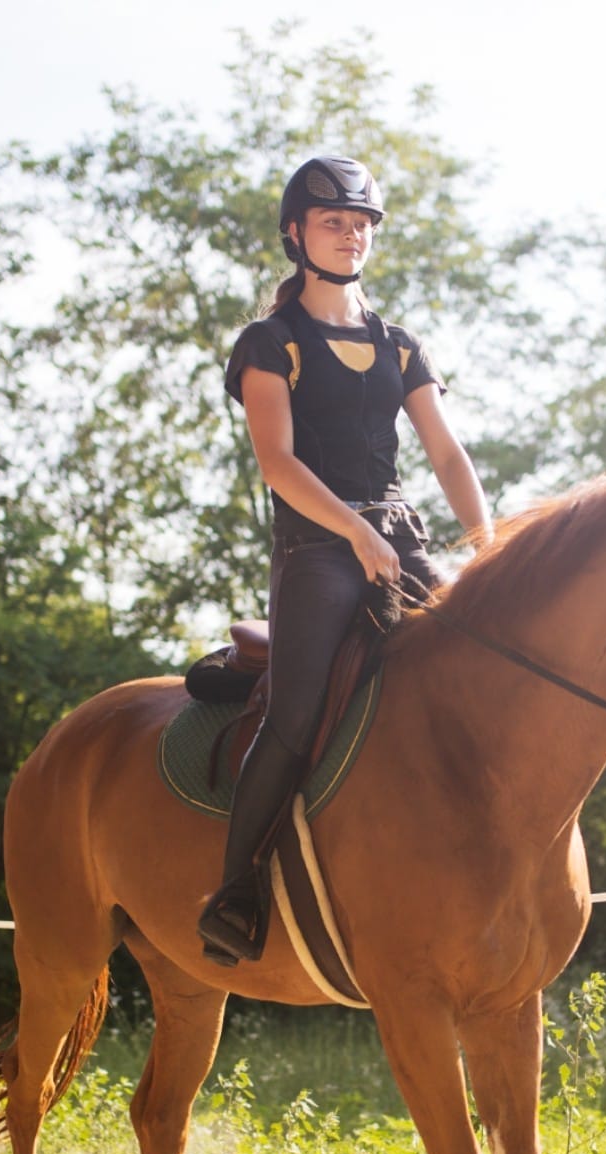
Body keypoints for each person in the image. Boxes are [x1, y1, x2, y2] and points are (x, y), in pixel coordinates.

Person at [197, 154, 492, 966]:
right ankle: (235, 893)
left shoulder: (399, 346)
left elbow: (447, 454)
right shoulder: (271, 342)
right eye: (334, 222)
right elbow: (278, 463)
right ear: (296, 234)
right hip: (317, 550)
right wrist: (355, 533)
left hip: (402, 540)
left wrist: (488, 544)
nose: (351, 235)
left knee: (490, 657)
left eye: (361, 224)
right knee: (294, 716)